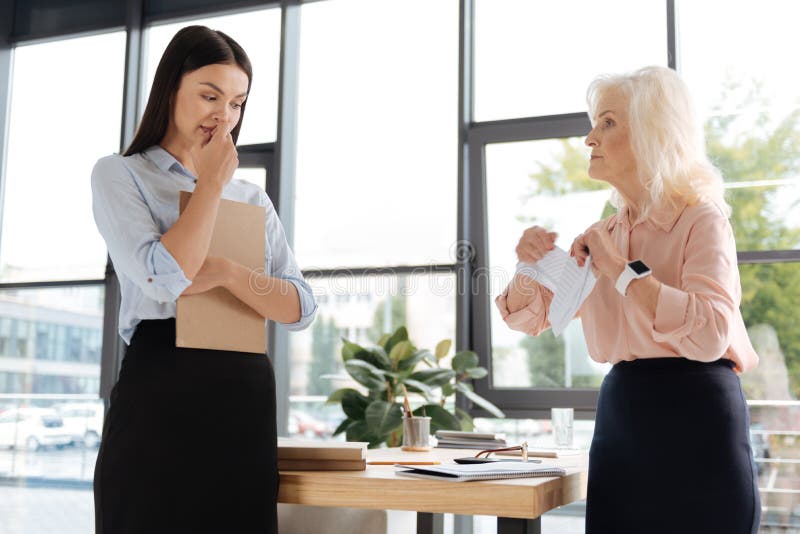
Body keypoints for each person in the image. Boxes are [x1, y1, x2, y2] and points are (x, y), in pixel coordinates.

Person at [496, 66, 760, 534]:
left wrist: (621, 271)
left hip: (698, 414)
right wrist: (527, 266)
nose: (589, 138)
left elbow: (711, 331)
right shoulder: (605, 234)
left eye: (608, 123)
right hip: (624, 417)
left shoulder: (701, 219)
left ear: (653, 132)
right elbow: (530, 320)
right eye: (595, 123)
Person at [91, 26, 316, 533]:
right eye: (210, 96)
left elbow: (300, 307)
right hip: (161, 386)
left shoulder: (253, 198)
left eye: (237, 103)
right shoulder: (120, 175)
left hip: (242, 396)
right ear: (171, 89)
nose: (225, 115)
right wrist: (211, 182)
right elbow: (164, 277)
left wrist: (227, 273)